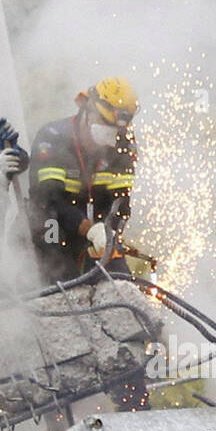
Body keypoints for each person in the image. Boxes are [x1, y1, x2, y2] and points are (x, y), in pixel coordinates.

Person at [29, 77, 138, 281]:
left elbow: (121, 202)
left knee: (121, 282)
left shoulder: (123, 147)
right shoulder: (52, 138)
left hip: (96, 232)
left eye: (116, 130)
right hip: (50, 227)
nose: (111, 135)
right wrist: (89, 229)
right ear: (88, 110)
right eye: (105, 125)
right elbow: (48, 199)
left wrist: (109, 232)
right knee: (62, 285)